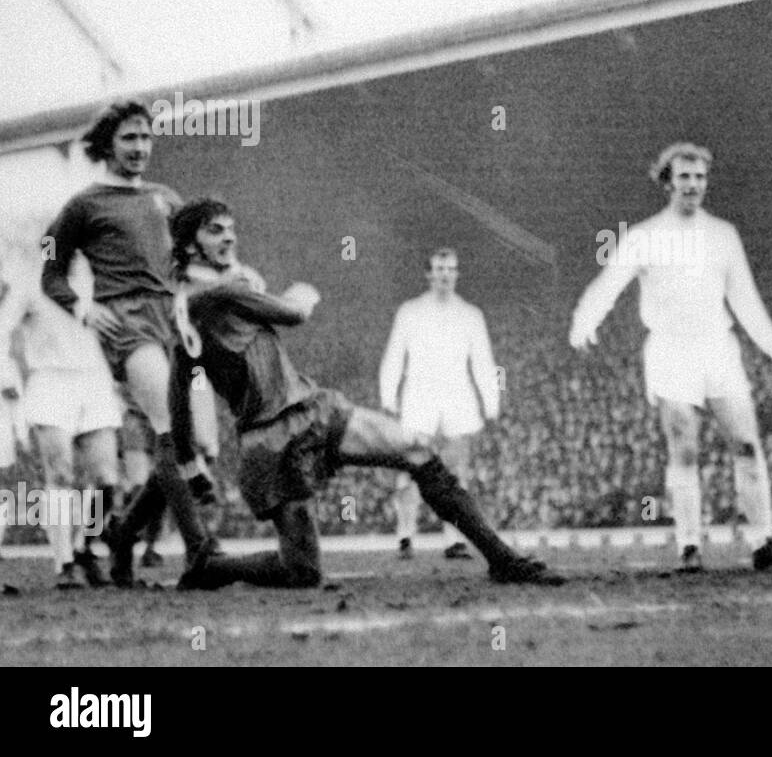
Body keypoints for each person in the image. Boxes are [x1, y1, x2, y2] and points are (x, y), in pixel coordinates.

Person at [163, 199, 561, 589]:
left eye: (231, 229)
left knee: (416, 450)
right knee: (302, 573)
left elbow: (178, 390)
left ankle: (503, 559)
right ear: (189, 244)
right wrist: (305, 291)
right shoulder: (223, 292)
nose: (230, 238)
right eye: (216, 230)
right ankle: (213, 568)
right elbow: (296, 312)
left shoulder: (184, 308)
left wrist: (187, 461)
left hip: (311, 410)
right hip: (273, 443)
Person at [570, 142, 772, 572]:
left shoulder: (723, 235)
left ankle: (764, 540)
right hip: (670, 351)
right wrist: (585, 320)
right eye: (683, 177)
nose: (692, 185)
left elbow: (745, 299)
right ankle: (690, 545)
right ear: (668, 183)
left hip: (717, 347)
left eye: (699, 177)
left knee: (747, 445)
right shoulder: (644, 236)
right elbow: (610, 282)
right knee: (685, 450)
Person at [40, 101, 213, 585]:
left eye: (145, 138)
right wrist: (83, 308)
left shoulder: (165, 198)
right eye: (129, 139)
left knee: (191, 442)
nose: (140, 148)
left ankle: (121, 531)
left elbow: (188, 260)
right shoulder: (83, 205)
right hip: (128, 321)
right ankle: (201, 552)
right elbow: (50, 272)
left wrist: (226, 278)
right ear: (107, 145)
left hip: (171, 319)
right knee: (168, 430)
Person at [0, 248, 120, 588]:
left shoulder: (99, 276)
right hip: (50, 381)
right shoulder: (30, 280)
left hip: (95, 382)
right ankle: (64, 564)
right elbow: (2, 329)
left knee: (107, 479)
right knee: (61, 474)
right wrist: (7, 379)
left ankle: (83, 545)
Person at [379, 248, 499, 561]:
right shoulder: (410, 311)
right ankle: (405, 535)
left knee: (457, 474)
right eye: (439, 269)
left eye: (450, 269)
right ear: (429, 274)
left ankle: (455, 539)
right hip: (420, 397)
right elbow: (394, 354)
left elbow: (484, 361)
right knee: (409, 471)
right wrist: (388, 395)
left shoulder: (471, 314)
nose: (445, 274)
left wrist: (491, 400)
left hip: (456, 397)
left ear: (457, 274)